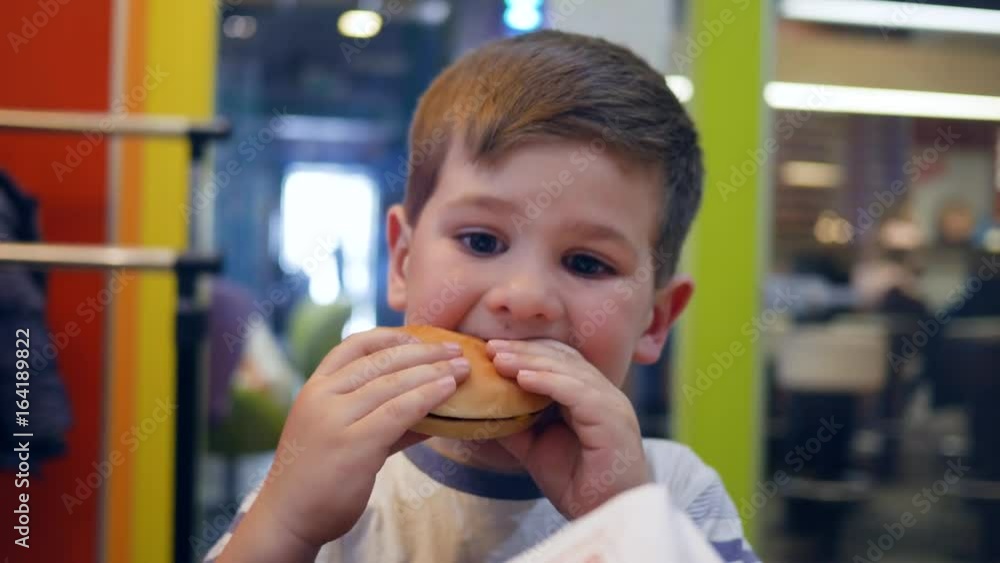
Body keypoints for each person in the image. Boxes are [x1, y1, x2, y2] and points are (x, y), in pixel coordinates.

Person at [206, 30, 759, 563]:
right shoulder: (325, 477)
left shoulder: (677, 495)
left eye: (587, 263)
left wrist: (626, 523)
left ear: (655, 321)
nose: (523, 297)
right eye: (481, 240)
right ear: (402, 260)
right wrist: (287, 524)